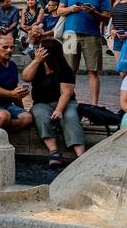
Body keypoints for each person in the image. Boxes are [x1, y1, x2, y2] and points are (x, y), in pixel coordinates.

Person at [21, 39, 86, 168]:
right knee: (40, 114)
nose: (36, 51)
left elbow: (66, 93)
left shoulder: (65, 68)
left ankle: (82, 156)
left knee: (70, 117)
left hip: (66, 102)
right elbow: (26, 77)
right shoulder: (37, 66)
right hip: (41, 103)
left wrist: (59, 110)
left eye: (40, 49)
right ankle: (54, 152)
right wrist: (36, 60)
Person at [56, 0, 111, 106]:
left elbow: (106, 17)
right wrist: (72, 9)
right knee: (69, 70)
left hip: (92, 35)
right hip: (70, 34)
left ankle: (94, 104)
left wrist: (93, 12)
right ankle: (66, 100)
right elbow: (59, 10)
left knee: (93, 70)